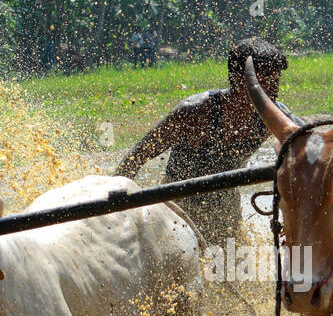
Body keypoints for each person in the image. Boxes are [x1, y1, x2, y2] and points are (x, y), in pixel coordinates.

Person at [115, 37, 300, 244]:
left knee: (232, 269)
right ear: (240, 80)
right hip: (177, 209)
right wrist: (116, 211)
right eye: (265, 79)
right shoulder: (195, 112)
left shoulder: (274, 117)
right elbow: (136, 158)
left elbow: (309, 146)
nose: (274, 88)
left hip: (226, 208)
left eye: (277, 80)